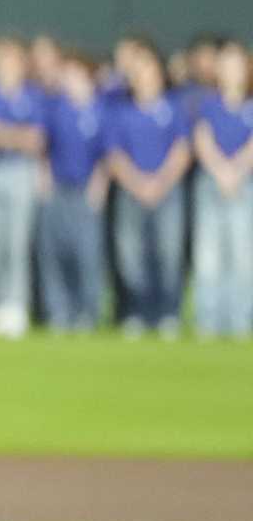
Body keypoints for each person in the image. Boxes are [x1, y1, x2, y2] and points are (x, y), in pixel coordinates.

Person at [104, 41, 192, 338]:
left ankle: (167, 314)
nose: (144, 78)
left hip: (167, 192)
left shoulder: (173, 108)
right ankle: (136, 313)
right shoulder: (122, 112)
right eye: (138, 73)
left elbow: (182, 149)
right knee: (131, 256)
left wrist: (160, 182)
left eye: (149, 71)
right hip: (132, 192)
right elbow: (114, 155)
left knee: (168, 253)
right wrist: (138, 183)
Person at [0, 38, 47, 338]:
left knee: (17, 243)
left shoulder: (33, 96)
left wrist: (10, 136)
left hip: (22, 172)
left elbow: (37, 140)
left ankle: (16, 307)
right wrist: (18, 136)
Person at [37, 53, 108, 332]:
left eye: (74, 75)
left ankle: (88, 313)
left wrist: (99, 183)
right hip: (58, 189)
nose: (69, 81)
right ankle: (59, 313)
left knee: (87, 255)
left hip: (85, 190)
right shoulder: (56, 109)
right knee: (54, 254)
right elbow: (44, 147)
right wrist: (44, 178)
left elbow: (107, 154)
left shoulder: (101, 112)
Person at [191, 39, 253, 338]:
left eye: (236, 64)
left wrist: (236, 170)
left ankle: (240, 321)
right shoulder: (208, 104)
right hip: (211, 183)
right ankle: (208, 321)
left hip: (245, 184)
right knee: (208, 256)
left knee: (243, 255)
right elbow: (202, 140)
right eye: (225, 65)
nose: (231, 71)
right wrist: (220, 171)